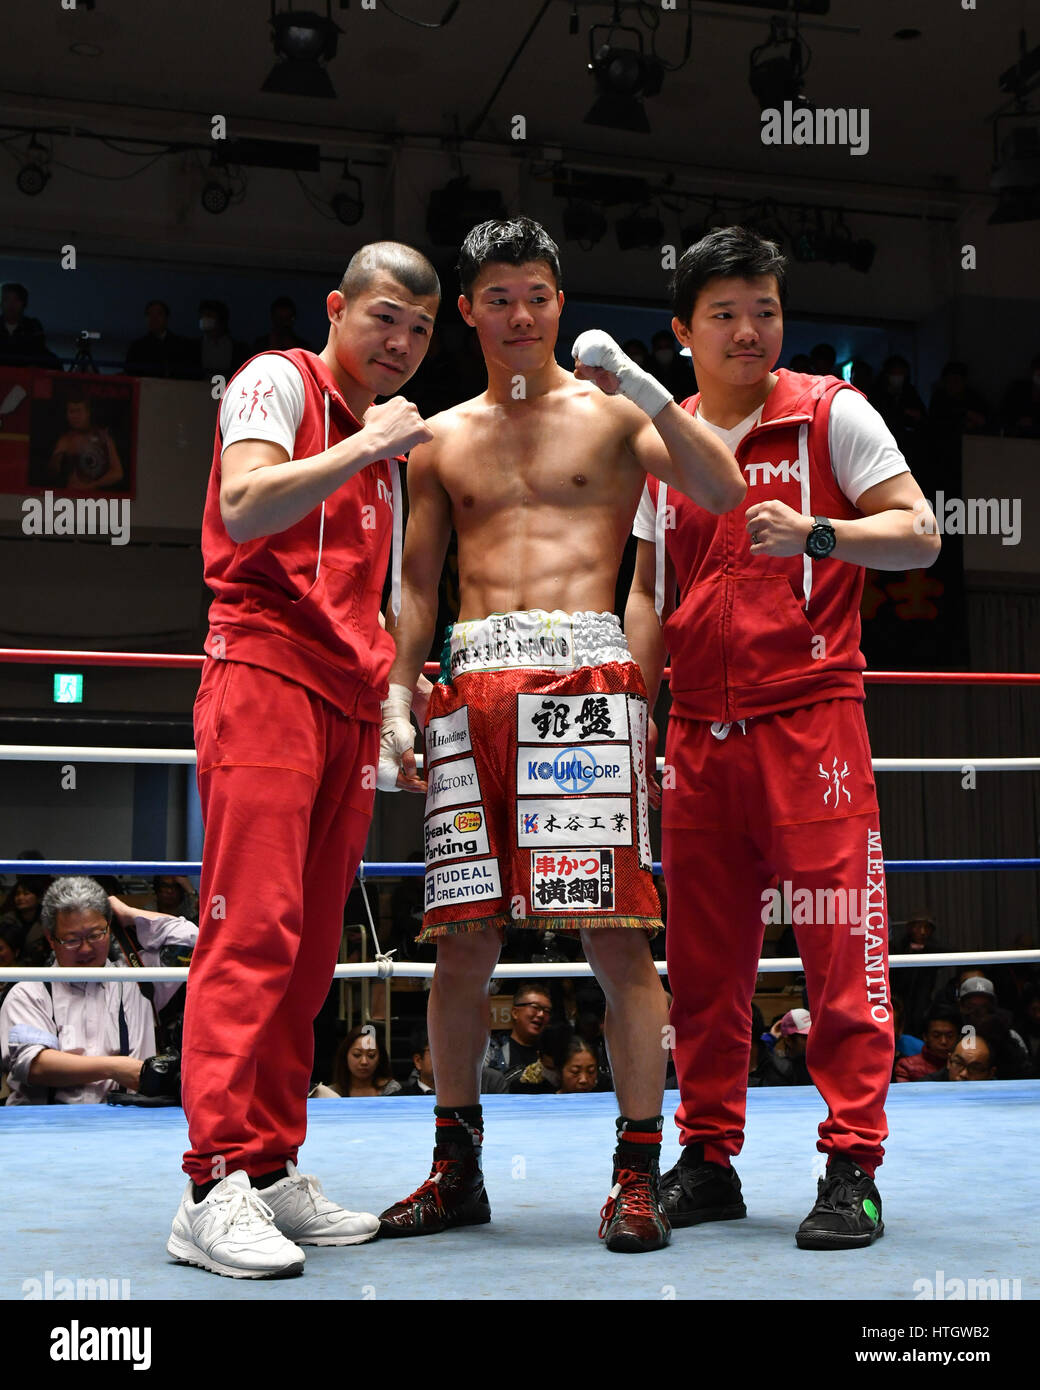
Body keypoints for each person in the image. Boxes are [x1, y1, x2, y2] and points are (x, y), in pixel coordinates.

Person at [376, 216, 745, 1254]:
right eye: (497, 297)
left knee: (617, 939)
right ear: (467, 311)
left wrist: (644, 383)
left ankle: (635, 1177)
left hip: (588, 681)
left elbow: (721, 488)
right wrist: (396, 695)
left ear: (560, 301)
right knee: (461, 944)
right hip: (473, 680)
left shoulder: (616, 416)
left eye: (536, 293)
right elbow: (413, 582)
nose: (519, 315)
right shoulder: (439, 435)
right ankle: (455, 1172)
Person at [625, 225, 941, 1252]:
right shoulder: (661, 439)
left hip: (812, 723)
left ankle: (851, 1164)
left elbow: (918, 531)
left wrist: (817, 532)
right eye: (723, 313)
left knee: (838, 946)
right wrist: (637, 710)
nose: (748, 329)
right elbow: (644, 589)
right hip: (697, 738)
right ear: (682, 332)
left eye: (763, 309)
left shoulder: (830, 413)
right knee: (701, 963)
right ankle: (708, 1159)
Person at [170, 240, 441, 1280]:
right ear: (338, 308)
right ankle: (207, 1185)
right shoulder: (277, 379)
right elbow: (245, 507)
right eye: (383, 317)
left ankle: (269, 1161)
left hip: (339, 704)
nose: (401, 343)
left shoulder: (388, 457)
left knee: (309, 947)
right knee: (252, 928)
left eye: (419, 330)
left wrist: (392, 713)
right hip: (262, 678)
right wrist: (364, 444)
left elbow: (363, 607)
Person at [0, 878, 186, 1105]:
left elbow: (192, 940)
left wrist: (127, 912)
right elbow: (33, 1065)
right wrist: (114, 1068)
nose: (86, 948)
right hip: (45, 1129)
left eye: (96, 934)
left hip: (130, 1127)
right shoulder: (29, 992)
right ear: (51, 939)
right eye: (72, 940)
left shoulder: (139, 980)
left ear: (110, 927)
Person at [47, 394, 124, 490]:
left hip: (98, 500)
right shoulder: (65, 439)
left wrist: (91, 486)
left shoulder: (103, 437)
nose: (75, 416)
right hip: (71, 498)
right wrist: (57, 456)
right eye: (71, 412)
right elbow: (52, 474)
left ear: (88, 413)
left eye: (78, 411)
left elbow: (117, 473)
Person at [485, 981, 554, 1083]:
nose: (541, 1014)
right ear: (515, 1012)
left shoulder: (553, 1052)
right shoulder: (492, 1049)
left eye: (546, 1010)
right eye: (535, 1007)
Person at [124, 300, 196, 379]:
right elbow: (130, 373)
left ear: (167, 318)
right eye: (150, 314)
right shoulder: (136, 347)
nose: (154, 318)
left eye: (159, 314)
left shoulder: (182, 345)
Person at [330, 1025, 401, 1096]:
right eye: (357, 1055)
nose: (364, 1062)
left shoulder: (391, 1090)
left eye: (371, 1055)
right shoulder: (331, 1094)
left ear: (380, 1058)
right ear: (345, 1056)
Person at [893, 1005, 959, 1082]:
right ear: (925, 1037)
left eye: (950, 1036)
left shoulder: (966, 1066)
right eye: (936, 1036)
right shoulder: (906, 1066)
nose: (943, 1041)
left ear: (958, 1037)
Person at [0, 282, 59, 368]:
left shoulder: (33, 326)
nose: (11, 304)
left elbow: (39, 351)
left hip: (26, 375)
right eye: (6, 299)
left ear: (24, 304)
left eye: (16, 300)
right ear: (1, 303)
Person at [197, 299, 247, 380]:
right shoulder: (192, 347)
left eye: (209, 315)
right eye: (202, 316)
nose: (204, 319)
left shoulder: (239, 348)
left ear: (221, 319)